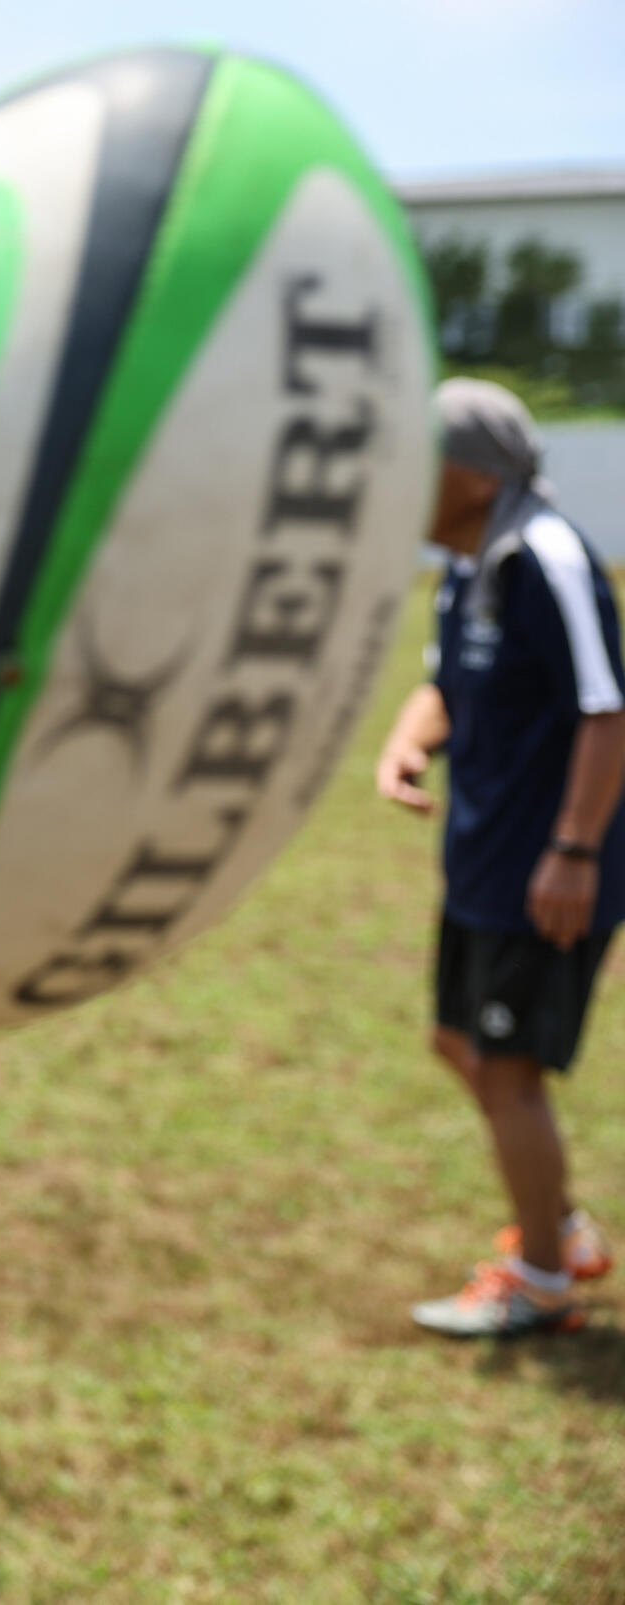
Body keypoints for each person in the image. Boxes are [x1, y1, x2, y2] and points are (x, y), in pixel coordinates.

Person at [377, 377, 618, 1339]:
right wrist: (408, 737)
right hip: (481, 862)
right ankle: (562, 1228)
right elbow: (446, 684)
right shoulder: (467, 558)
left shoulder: (544, 556)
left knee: (508, 1067)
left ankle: (545, 1279)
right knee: (458, 1042)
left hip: (543, 871)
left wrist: (574, 850)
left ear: (474, 476)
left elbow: (606, 709)